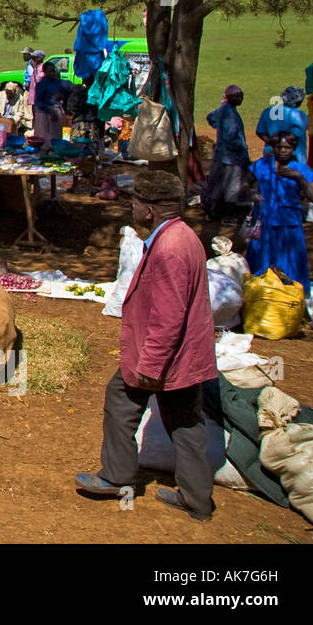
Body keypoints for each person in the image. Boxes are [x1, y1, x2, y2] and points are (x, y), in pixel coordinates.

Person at [75, 170, 218, 522]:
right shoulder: (184, 236)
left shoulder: (168, 248)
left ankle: (117, 477)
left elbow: (168, 317)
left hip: (161, 356)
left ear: (150, 210)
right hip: (186, 357)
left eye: (137, 202)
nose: (133, 208)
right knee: (186, 423)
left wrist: (150, 366)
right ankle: (198, 498)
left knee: (120, 401)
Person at [246, 130, 313, 295]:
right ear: (273, 147)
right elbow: (244, 183)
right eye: (279, 147)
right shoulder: (262, 165)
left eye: (287, 147)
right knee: (262, 263)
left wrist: (299, 178)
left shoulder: (300, 169)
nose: (283, 151)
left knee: (290, 264)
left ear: (293, 149)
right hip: (264, 224)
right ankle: (261, 297)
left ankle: (290, 298)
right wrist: (253, 194)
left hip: (290, 225)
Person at [203, 85, 251, 224]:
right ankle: (228, 217)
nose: (240, 99)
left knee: (217, 186)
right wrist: (241, 148)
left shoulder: (223, 110)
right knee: (232, 188)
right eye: (237, 96)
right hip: (232, 158)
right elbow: (231, 135)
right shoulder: (230, 113)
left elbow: (210, 118)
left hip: (221, 155)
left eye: (241, 96)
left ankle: (212, 214)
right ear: (228, 97)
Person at [256, 86, 308, 165]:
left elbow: (260, 131)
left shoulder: (268, 111)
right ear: (298, 101)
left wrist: (274, 144)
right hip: (294, 156)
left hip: (271, 154)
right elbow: (296, 135)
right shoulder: (299, 115)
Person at [31, 60, 70, 148]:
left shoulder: (57, 82)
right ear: (44, 72)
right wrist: (49, 109)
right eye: (50, 71)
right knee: (44, 135)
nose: (52, 73)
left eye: (53, 71)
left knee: (55, 135)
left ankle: (55, 150)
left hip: (56, 111)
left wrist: (60, 96)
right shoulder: (41, 85)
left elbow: (66, 89)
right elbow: (38, 101)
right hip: (43, 112)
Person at [0, 81, 20, 149]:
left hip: (11, 117)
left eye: (10, 93)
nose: (8, 95)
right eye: (7, 92)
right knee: (6, 123)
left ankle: (7, 143)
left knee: (10, 122)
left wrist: (14, 119)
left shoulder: (19, 98)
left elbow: (20, 112)